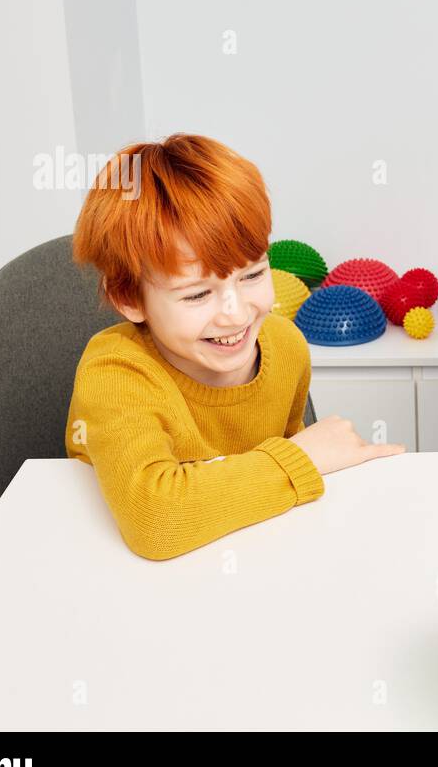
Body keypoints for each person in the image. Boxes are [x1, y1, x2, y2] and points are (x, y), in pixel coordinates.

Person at [68, 134, 403, 559]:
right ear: (129, 298)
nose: (236, 313)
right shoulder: (114, 372)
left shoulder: (285, 344)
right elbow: (156, 522)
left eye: (251, 275)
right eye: (196, 295)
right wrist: (301, 457)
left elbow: (288, 496)